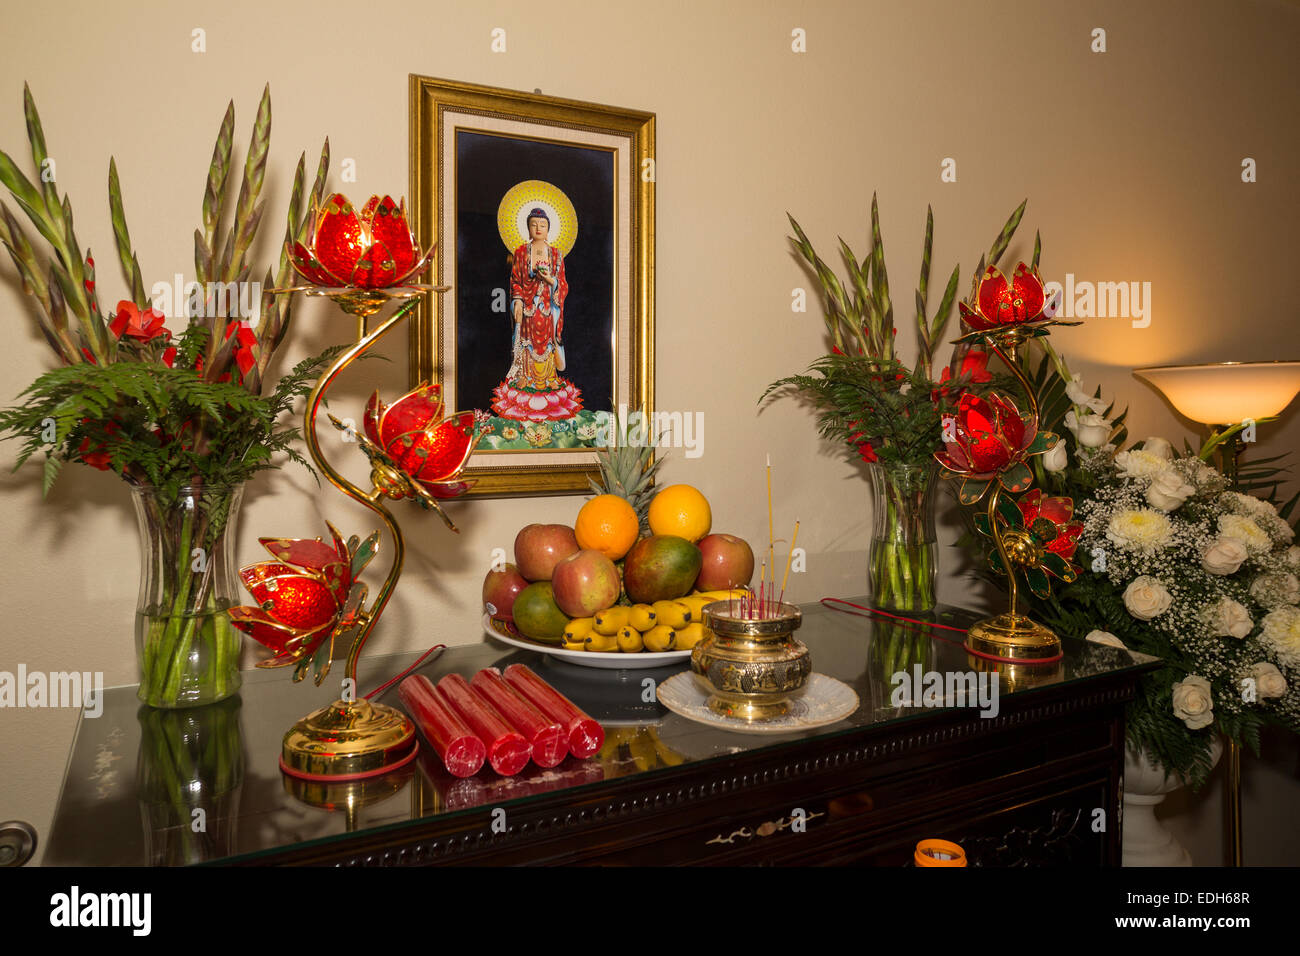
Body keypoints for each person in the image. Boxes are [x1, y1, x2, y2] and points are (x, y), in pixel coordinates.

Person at [492, 208, 583, 421]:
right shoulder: (521, 253)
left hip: (548, 308)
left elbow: (563, 284)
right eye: (534, 224)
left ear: (549, 228)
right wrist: (516, 301)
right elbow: (515, 280)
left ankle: (549, 377)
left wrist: (551, 280)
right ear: (528, 228)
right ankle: (526, 376)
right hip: (527, 308)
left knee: (548, 340)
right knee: (527, 339)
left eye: (542, 225)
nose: (538, 228)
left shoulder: (556, 254)